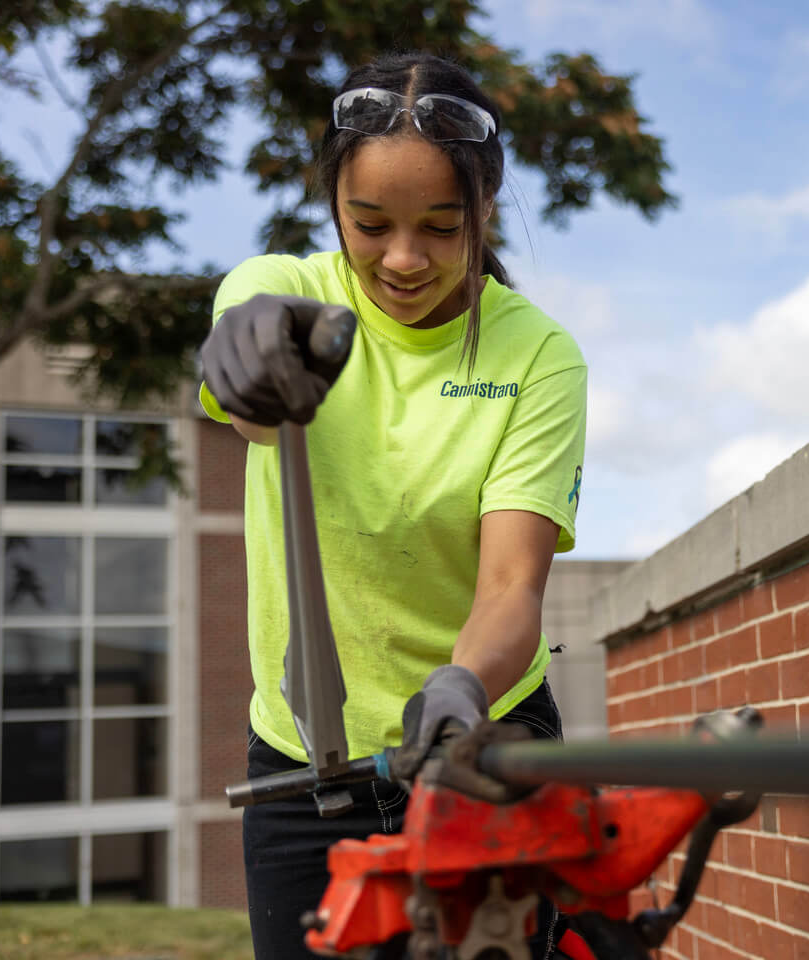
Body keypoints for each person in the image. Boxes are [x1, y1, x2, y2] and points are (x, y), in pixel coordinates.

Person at [197, 52, 586, 960]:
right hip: (305, 763)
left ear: (483, 212)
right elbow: (251, 398)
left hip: (477, 738)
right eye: (369, 225)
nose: (403, 260)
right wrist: (258, 352)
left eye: (441, 229)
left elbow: (511, 583)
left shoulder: (538, 357)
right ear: (334, 204)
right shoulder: (281, 291)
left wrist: (462, 690)